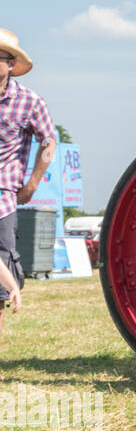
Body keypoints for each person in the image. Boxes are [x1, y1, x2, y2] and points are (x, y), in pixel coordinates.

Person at [0, 28, 56, 308]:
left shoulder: (30, 102)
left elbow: (49, 140)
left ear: (11, 64)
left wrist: (33, 183)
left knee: (1, 272)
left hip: (3, 197)